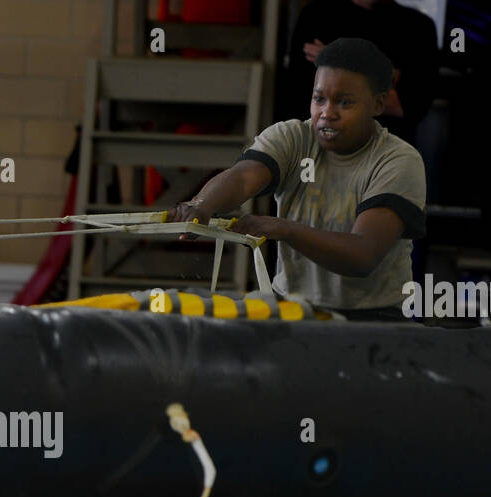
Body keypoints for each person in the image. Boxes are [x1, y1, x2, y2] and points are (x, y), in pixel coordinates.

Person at [170, 38, 426, 321]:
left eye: (344, 102)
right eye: (319, 99)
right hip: (294, 311)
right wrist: (203, 205)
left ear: (378, 105)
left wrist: (286, 229)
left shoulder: (399, 160)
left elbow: (362, 254)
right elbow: (243, 178)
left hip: (373, 320)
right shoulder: (292, 137)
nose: (327, 113)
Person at [281, 0, 440, 145]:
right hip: (318, 154)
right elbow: (299, 95)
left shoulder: (418, 27)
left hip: (384, 160)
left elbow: (412, 107)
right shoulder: (316, 16)